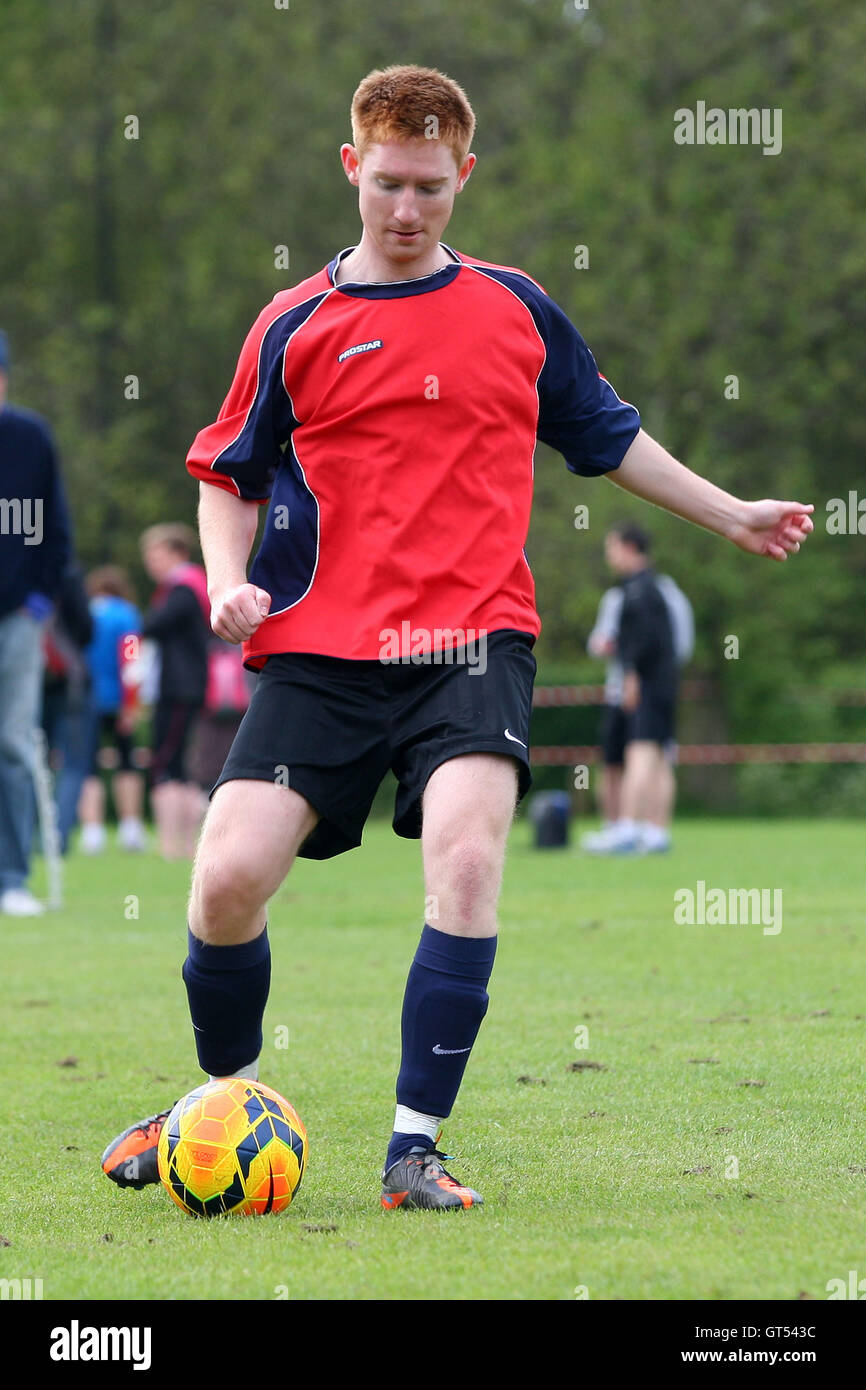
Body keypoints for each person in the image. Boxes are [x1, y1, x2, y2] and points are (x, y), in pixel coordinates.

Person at [100, 65, 812, 1209]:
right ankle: (219, 1104)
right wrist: (230, 582)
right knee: (226, 879)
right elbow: (222, 475)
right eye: (386, 183)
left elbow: (608, 435)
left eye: (430, 187)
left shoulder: (517, 308)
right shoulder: (293, 323)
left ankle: (410, 1149)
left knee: (471, 859)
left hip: (472, 639)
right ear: (351, 168)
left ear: (462, 176)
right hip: (322, 649)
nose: (405, 209)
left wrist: (729, 512)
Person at [0, 329, 72, 915]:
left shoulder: (29, 438)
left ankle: (12, 877)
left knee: (12, 742)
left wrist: (41, 601)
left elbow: (55, 525)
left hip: (17, 617)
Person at [583, 527, 694, 853]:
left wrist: (631, 676)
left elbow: (644, 642)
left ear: (629, 548)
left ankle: (628, 829)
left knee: (641, 752)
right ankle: (653, 833)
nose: (609, 556)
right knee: (657, 753)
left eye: (612, 547)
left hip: (646, 684)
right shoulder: (645, 590)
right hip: (660, 683)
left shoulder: (641, 592)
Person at [139, 524, 210, 860]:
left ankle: (171, 843)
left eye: (157, 555)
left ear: (178, 553)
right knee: (179, 764)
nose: (151, 563)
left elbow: (152, 626)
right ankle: (184, 844)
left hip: (177, 688)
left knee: (165, 762)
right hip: (187, 687)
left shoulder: (181, 590)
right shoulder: (193, 586)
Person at [78, 565, 146, 853]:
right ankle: (130, 827)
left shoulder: (85, 613)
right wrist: (132, 703)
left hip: (84, 698)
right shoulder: (126, 614)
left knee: (87, 765)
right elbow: (131, 659)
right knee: (127, 761)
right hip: (118, 700)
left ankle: (92, 831)